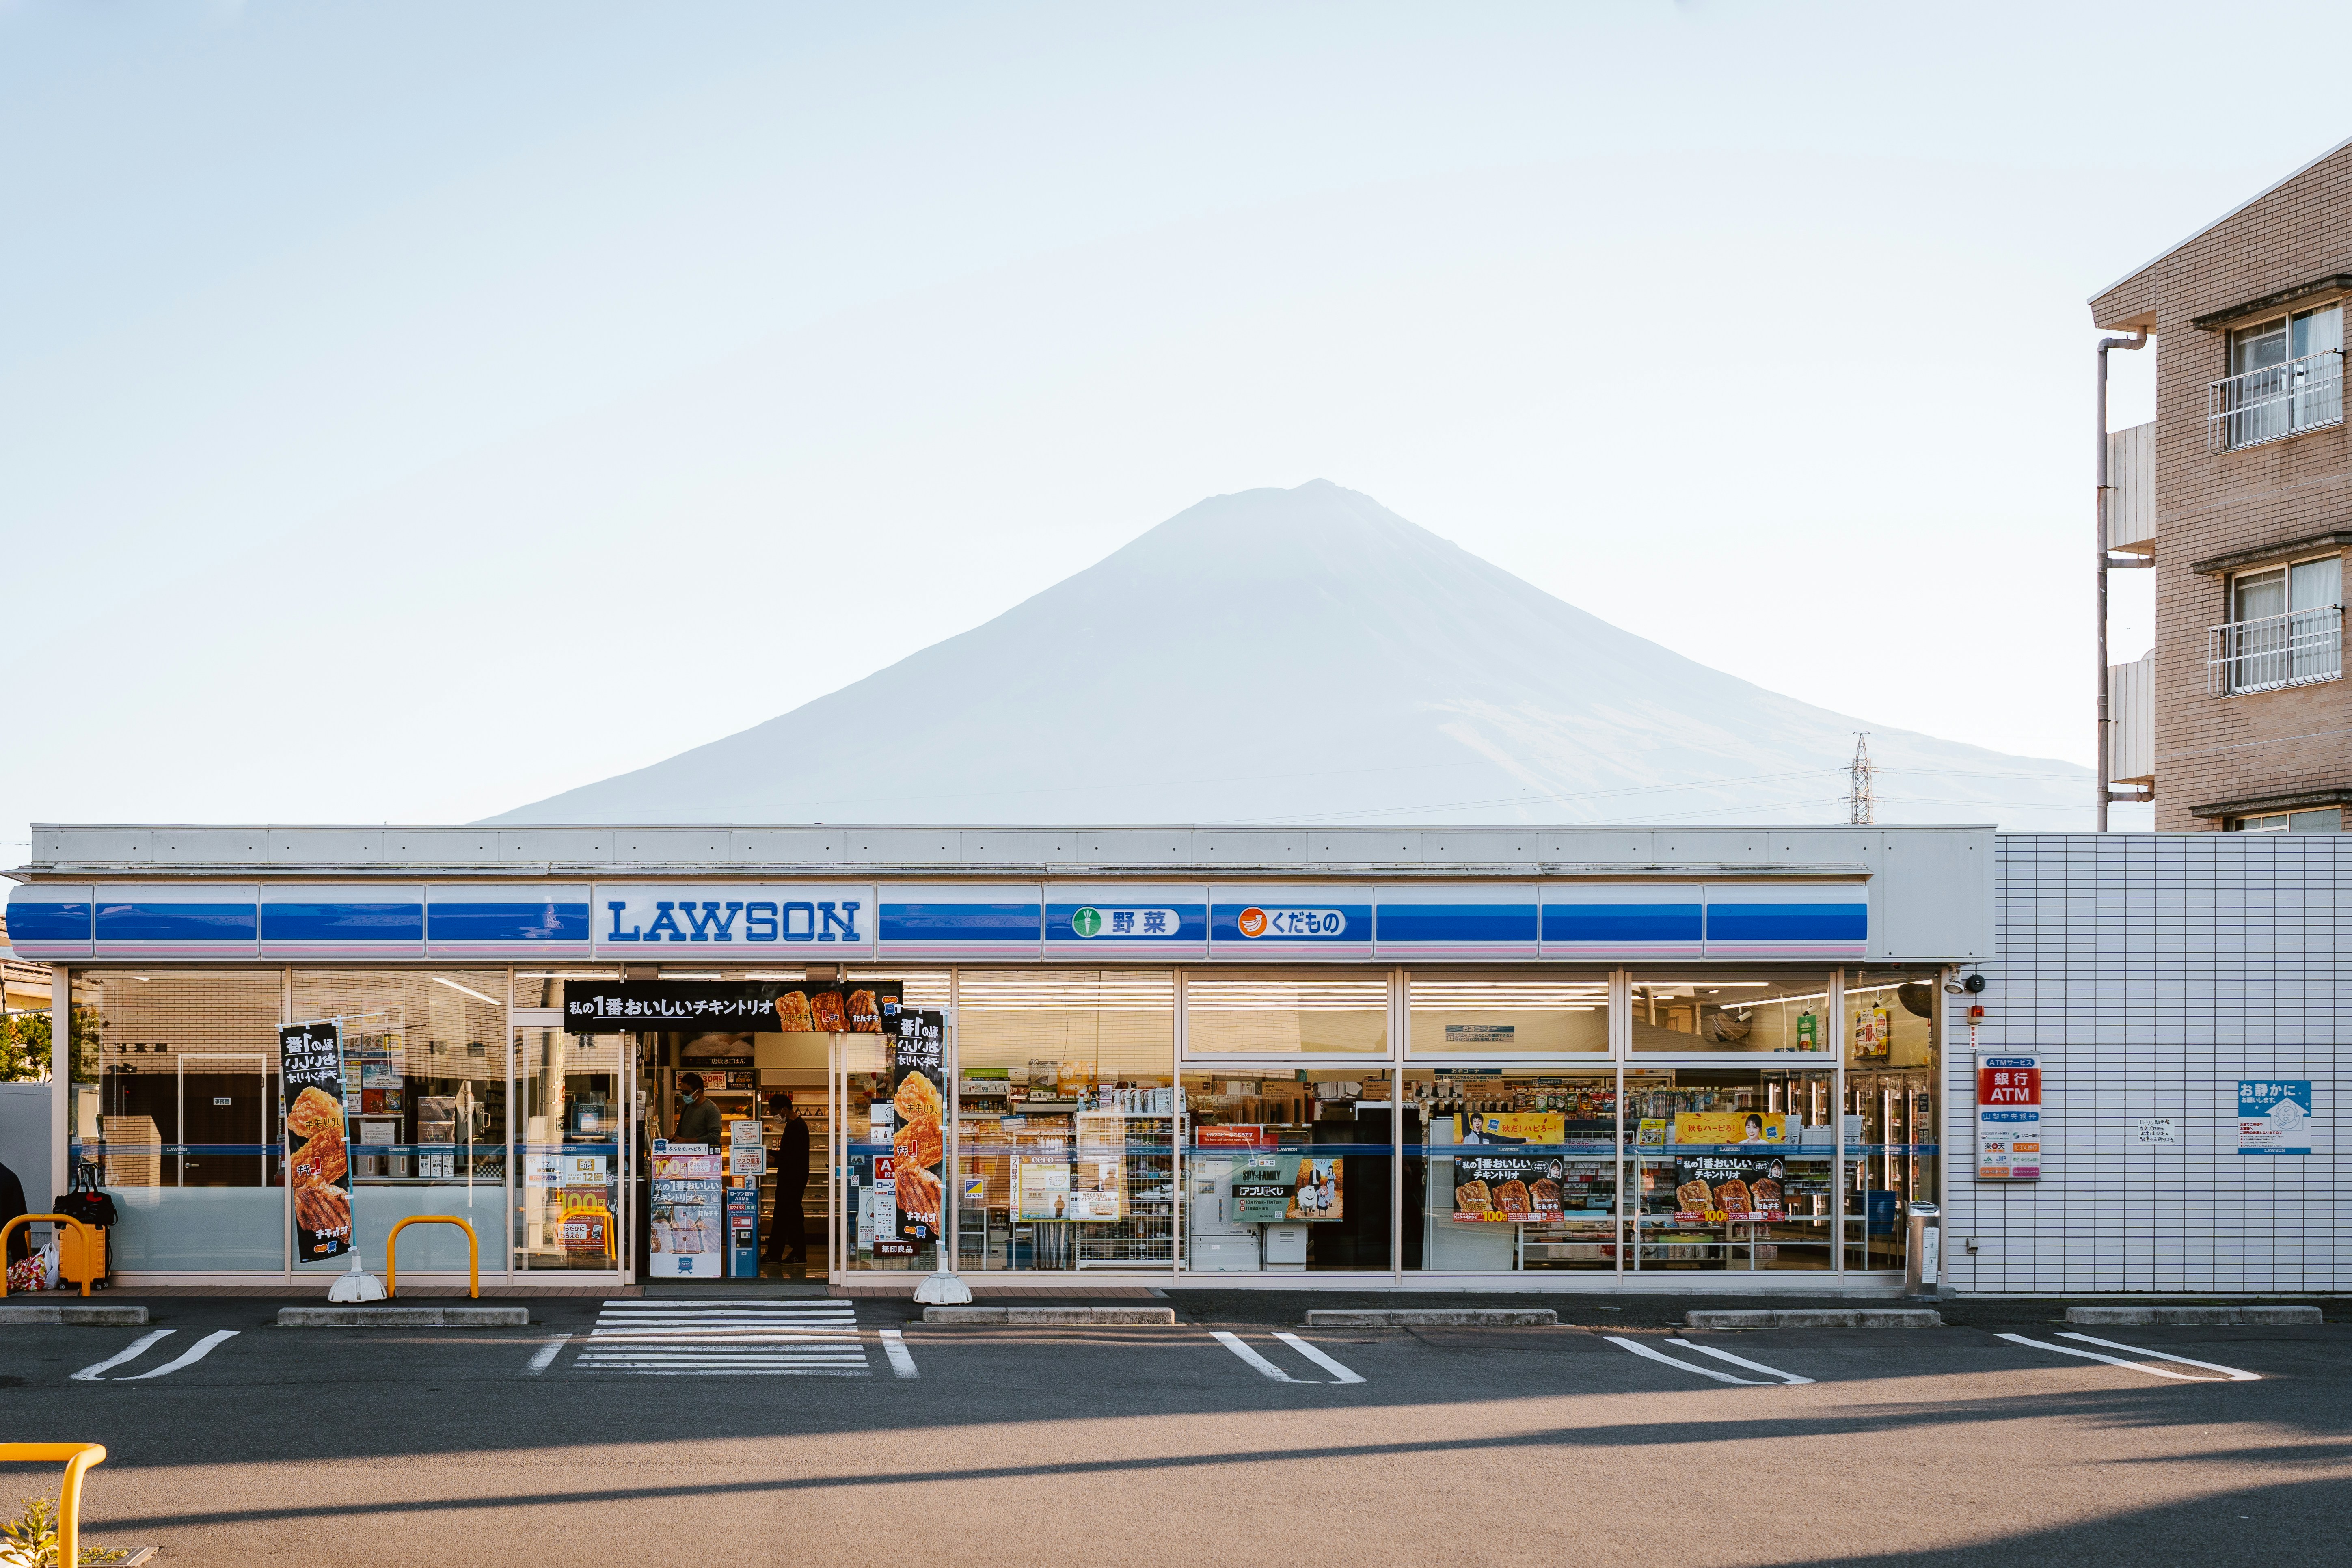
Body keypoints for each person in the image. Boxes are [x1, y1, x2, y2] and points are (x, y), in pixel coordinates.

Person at [761, 1093, 811, 1270]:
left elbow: (794, 1158)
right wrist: (771, 1153)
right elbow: (788, 1152)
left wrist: (774, 1160)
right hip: (789, 1178)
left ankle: (799, 1254)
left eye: (774, 1112)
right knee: (781, 1216)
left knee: (793, 1217)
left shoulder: (797, 1127)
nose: (774, 1116)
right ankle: (774, 1253)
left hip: (794, 1180)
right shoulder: (793, 1125)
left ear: (784, 1109)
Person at [672, 1073, 723, 1147]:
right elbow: (680, 1131)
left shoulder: (711, 1109)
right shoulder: (686, 1107)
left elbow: (714, 1138)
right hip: (685, 1154)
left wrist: (686, 1141)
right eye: (682, 1093)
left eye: (687, 1093)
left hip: (701, 1156)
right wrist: (675, 1138)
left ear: (699, 1092)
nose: (684, 1096)